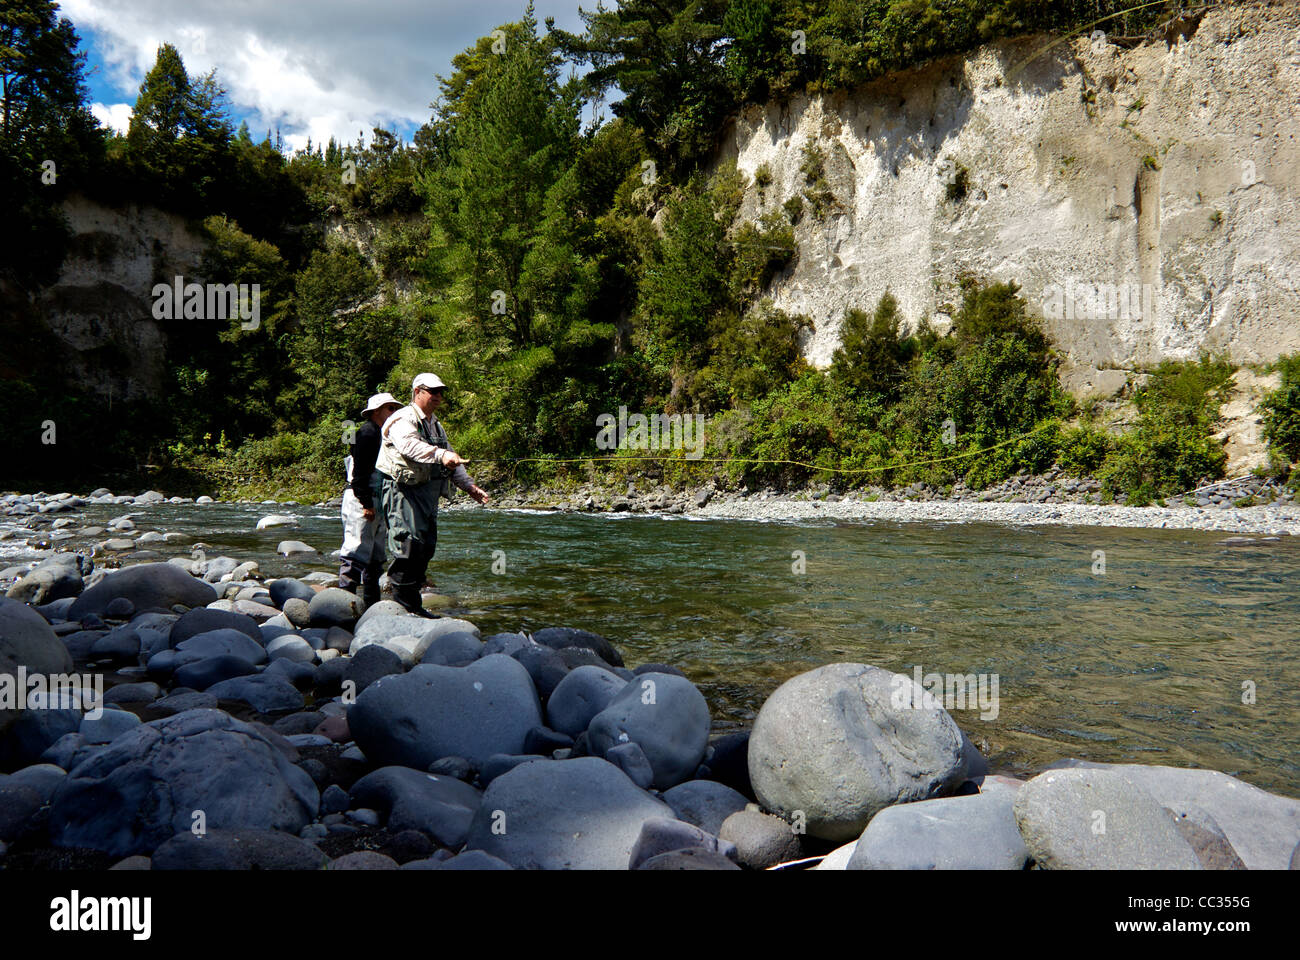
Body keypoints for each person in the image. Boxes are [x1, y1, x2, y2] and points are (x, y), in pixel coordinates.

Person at [375, 373, 489, 614]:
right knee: (408, 546)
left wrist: (468, 486)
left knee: (426, 548)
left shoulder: (435, 423)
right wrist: (441, 455)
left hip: (426, 496)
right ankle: (403, 608)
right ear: (418, 391)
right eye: (433, 391)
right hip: (402, 492)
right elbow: (410, 446)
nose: (438, 396)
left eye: (441, 392)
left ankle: (412, 604)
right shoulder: (402, 419)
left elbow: (450, 455)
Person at [338, 392, 403, 606]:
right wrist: (366, 503)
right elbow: (359, 474)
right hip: (362, 500)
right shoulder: (367, 433)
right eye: (390, 408)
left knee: (375, 556)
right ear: (377, 411)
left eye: (395, 408)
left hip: (376, 500)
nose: (394, 412)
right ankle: (344, 604)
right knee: (356, 550)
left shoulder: (380, 433)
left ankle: (371, 604)